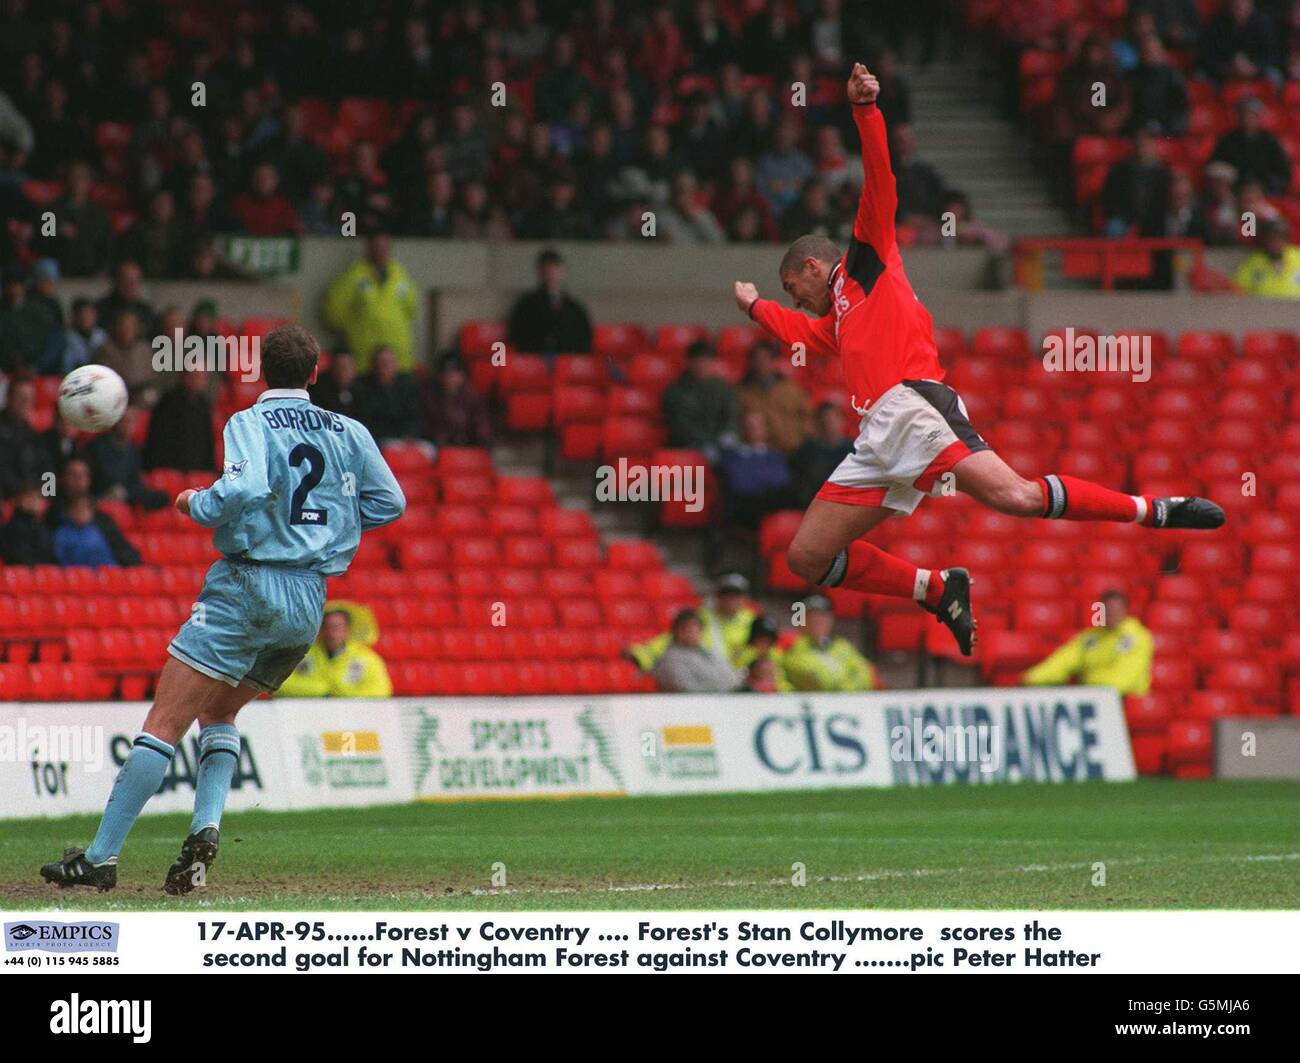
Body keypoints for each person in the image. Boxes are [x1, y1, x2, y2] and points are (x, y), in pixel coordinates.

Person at [731, 64, 1224, 658]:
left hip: (914, 405)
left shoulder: (867, 260)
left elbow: (879, 181)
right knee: (806, 556)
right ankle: (936, 589)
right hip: (878, 437)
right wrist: (759, 309)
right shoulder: (840, 314)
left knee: (1013, 497)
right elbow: (804, 333)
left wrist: (865, 111)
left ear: (813, 266)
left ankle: (1154, 510)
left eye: (792, 287)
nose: (794, 298)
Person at [40, 324, 405, 895]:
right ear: (315, 373)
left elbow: (242, 489)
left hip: (249, 586)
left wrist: (194, 503)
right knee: (220, 716)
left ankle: (101, 858)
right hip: (308, 599)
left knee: (164, 722)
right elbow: (391, 502)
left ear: (261, 371)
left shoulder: (250, 422)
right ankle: (203, 836)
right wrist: (331, 526)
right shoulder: (350, 431)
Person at [1023, 589, 1154, 696]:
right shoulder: (1091, 638)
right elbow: (1063, 661)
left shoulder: (1137, 638)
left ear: (1126, 610)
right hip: (1093, 698)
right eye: (1107, 610)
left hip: (1123, 701)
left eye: (1115, 610)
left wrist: (1093, 689)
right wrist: (1031, 678)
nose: (1111, 614)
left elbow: (1125, 676)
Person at [322, 233, 418, 372]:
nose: (381, 251)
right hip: (365, 356)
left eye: (385, 247)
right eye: (377, 247)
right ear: (368, 248)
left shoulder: (399, 273)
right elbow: (333, 311)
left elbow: (412, 307)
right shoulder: (355, 275)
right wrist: (355, 326)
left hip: (398, 356)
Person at [628, 572, 757, 671]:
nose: (730, 600)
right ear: (717, 597)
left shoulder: (754, 622)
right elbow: (671, 640)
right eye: (726, 594)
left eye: (736, 595)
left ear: (745, 598)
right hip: (706, 677)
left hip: (744, 680)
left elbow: (768, 653)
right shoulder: (702, 617)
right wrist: (642, 655)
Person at [277, 606, 393, 698]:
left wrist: (341, 692)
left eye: (336, 627)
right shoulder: (302, 654)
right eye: (326, 627)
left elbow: (381, 690)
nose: (331, 633)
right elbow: (279, 684)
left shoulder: (367, 659)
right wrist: (321, 690)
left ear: (347, 629)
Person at [45, 458, 141, 568]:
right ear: (62, 478)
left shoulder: (103, 521)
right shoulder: (52, 520)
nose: (79, 479)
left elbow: (124, 551)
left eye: (83, 475)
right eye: (73, 474)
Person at [661, 340, 738, 462]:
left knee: (736, 452)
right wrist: (708, 441)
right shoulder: (675, 392)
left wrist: (725, 435)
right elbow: (681, 427)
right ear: (689, 363)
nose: (702, 366)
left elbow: (731, 416)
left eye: (706, 361)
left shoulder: (723, 388)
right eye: (698, 361)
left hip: (720, 442)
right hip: (690, 444)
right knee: (710, 456)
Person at [718, 410, 799, 528]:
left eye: (757, 426)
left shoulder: (776, 456)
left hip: (775, 505)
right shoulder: (732, 458)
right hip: (747, 509)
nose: (753, 430)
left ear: (765, 429)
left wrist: (758, 479)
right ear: (741, 429)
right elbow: (741, 485)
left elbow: (783, 480)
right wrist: (767, 481)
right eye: (749, 426)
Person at [782, 594, 878, 692]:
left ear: (831, 619)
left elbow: (864, 674)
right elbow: (809, 676)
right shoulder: (791, 643)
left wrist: (844, 693)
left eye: (823, 615)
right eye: (812, 615)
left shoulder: (843, 646)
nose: (818, 619)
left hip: (845, 703)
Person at [506, 248, 593, 355]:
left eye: (555, 269)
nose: (551, 274)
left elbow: (584, 337)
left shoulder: (574, 307)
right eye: (547, 270)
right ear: (540, 272)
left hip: (566, 359)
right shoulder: (527, 305)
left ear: (563, 271)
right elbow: (517, 335)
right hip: (536, 358)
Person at [735, 340, 813, 453]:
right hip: (760, 453)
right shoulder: (741, 393)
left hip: (793, 451)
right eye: (757, 359)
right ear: (750, 362)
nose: (761, 363)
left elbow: (808, 417)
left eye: (765, 359)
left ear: (773, 362)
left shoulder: (790, 389)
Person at [85, 408, 169, 508]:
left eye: (133, 421)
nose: (129, 426)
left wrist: (126, 492)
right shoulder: (96, 447)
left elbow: (135, 483)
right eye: (125, 421)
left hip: (126, 498)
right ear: (115, 422)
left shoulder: (133, 451)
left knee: (162, 497)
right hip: (101, 499)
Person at [1211, 97, 1293, 197]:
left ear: (1258, 117)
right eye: (1245, 115)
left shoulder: (1270, 141)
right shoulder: (1228, 140)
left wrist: (1263, 187)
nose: (1248, 119)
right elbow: (1216, 166)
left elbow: (1282, 172)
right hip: (1234, 192)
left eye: (1252, 115)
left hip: (1263, 192)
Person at [651, 609, 744, 693]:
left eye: (695, 628)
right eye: (686, 628)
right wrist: (722, 688)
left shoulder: (711, 653)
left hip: (722, 702)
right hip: (689, 707)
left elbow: (732, 679)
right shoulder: (670, 659)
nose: (691, 632)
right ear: (676, 631)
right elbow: (685, 688)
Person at [142, 370, 217, 471]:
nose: (198, 381)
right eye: (195, 376)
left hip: (197, 469)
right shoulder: (168, 402)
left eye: (202, 377)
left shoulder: (204, 406)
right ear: (185, 376)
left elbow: (207, 443)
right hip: (169, 467)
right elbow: (158, 441)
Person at [421, 353, 493, 447]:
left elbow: (481, 425)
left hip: (468, 444)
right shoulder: (430, 393)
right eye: (447, 374)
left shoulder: (472, 395)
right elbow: (428, 425)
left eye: (455, 373)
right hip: (438, 445)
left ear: (463, 375)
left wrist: (482, 442)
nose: (451, 378)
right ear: (440, 375)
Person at [353, 346, 423, 443]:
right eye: (380, 364)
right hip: (377, 439)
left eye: (387, 363)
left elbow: (414, 415)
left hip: (405, 438)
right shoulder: (362, 387)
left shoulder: (407, 385)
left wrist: (409, 434)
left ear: (396, 365)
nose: (383, 367)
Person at [791, 402, 854, 506]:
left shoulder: (854, 450)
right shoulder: (807, 451)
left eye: (832, 422)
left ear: (842, 422)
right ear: (817, 424)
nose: (828, 426)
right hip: (812, 504)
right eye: (825, 422)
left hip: (846, 503)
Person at [38, 297, 106, 376]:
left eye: (89, 314)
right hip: (68, 377)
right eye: (82, 314)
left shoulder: (101, 336)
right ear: (74, 316)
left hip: (96, 377)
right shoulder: (63, 336)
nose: (86, 318)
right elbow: (47, 360)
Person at [1234, 219, 1300, 299]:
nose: (1275, 243)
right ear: (1264, 241)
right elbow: (1238, 291)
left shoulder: (1297, 257)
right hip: (1263, 309)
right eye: (1271, 239)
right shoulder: (1253, 263)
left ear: (1286, 239)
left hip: (1294, 309)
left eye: (1279, 238)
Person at [0, 480, 57, 564]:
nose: (33, 501)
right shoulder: (12, 527)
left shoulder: (44, 528)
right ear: (19, 500)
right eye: (29, 497)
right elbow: (17, 556)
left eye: (37, 497)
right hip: (21, 573)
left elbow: (51, 555)